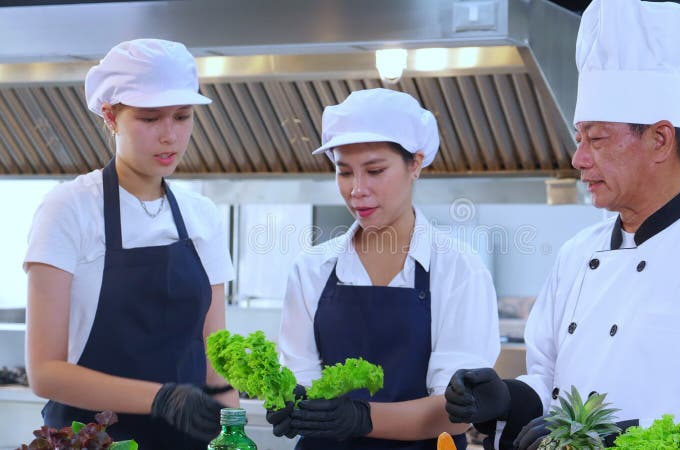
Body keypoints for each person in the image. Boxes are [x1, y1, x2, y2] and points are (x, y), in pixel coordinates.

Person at [443, 1, 680, 449]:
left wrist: (622, 439)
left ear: (660, 139)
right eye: (578, 139)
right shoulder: (577, 254)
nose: (578, 159)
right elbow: (551, 383)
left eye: (595, 139)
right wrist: (508, 397)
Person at [24, 39, 237, 448]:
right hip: (90, 439)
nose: (170, 136)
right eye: (150, 118)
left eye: (182, 116)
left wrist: (232, 431)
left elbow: (216, 364)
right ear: (111, 117)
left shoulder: (201, 215)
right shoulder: (68, 209)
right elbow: (45, 372)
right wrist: (161, 399)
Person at [266, 88, 501, 450]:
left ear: (415, 164)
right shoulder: (312, 268)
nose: (357, 190)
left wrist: (360, 418)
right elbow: (300, 381)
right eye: (344, 172)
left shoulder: (459, 270)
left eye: (375, 170)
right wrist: (291, 406)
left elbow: (456, 410)